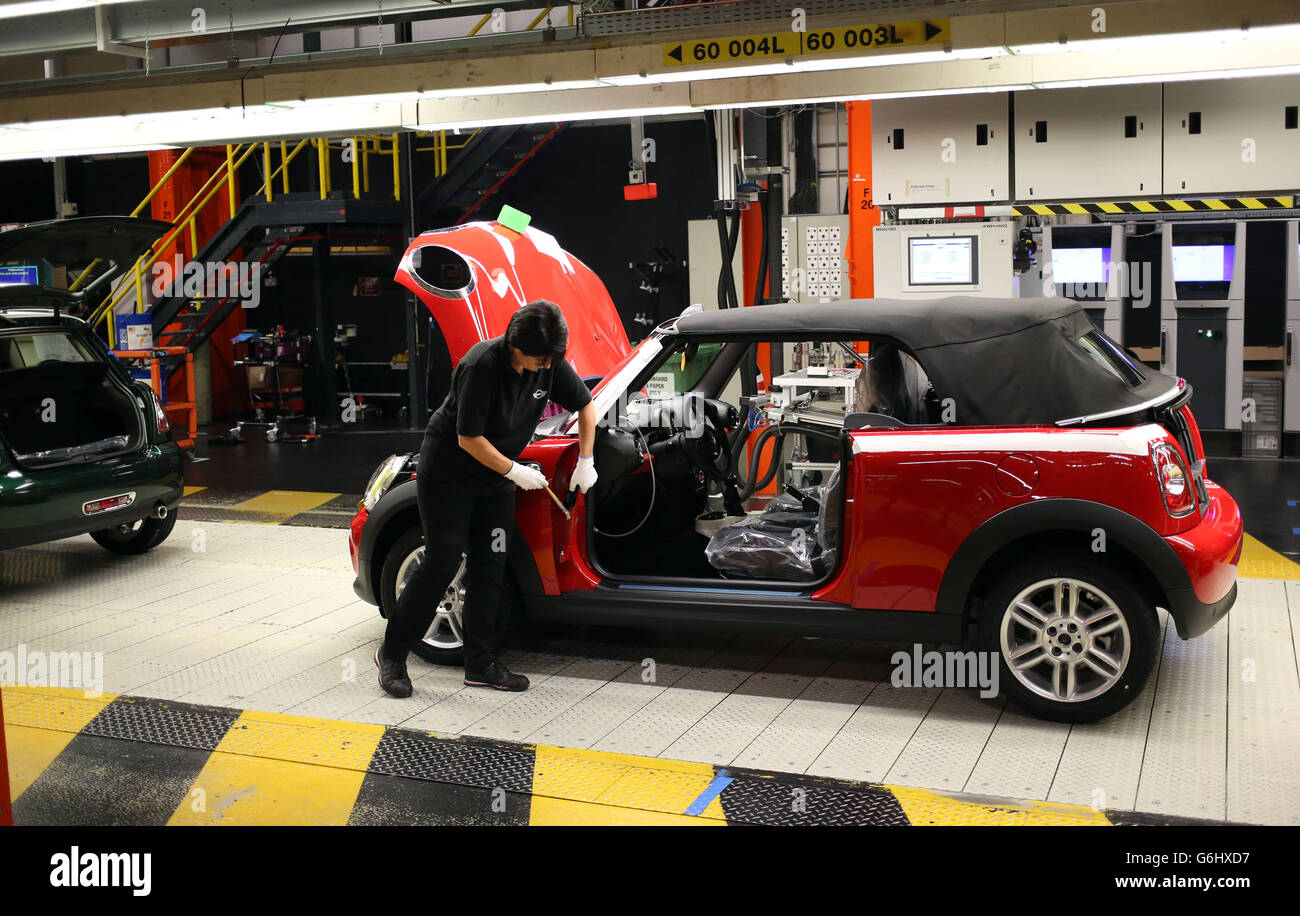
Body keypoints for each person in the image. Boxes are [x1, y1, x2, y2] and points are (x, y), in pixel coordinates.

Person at [376, 300, 598, 696]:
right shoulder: (482, 365)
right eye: (538, 359)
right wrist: (515, 471)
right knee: (442, 562)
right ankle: (392, 654)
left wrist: (586, 460)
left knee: (491, 566)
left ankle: (480, 663)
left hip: (496, 480)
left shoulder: (548, 361)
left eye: (551, 360)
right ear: (515, 345)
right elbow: (468, 439)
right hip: (450, 474)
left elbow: (585, 404)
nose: (545, 367)